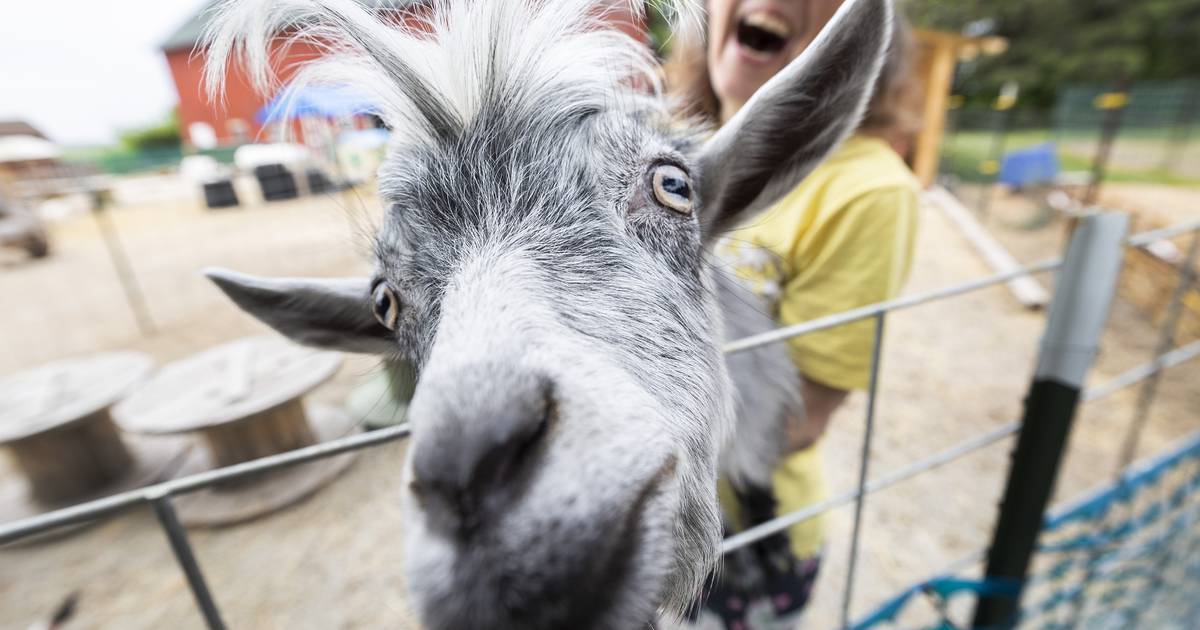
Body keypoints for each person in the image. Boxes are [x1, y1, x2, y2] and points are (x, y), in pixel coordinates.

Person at [668, 1, 922, 627]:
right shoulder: (655, 142)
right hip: (644, 521)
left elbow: (798, 420)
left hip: (747, 540)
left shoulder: (867, 190)